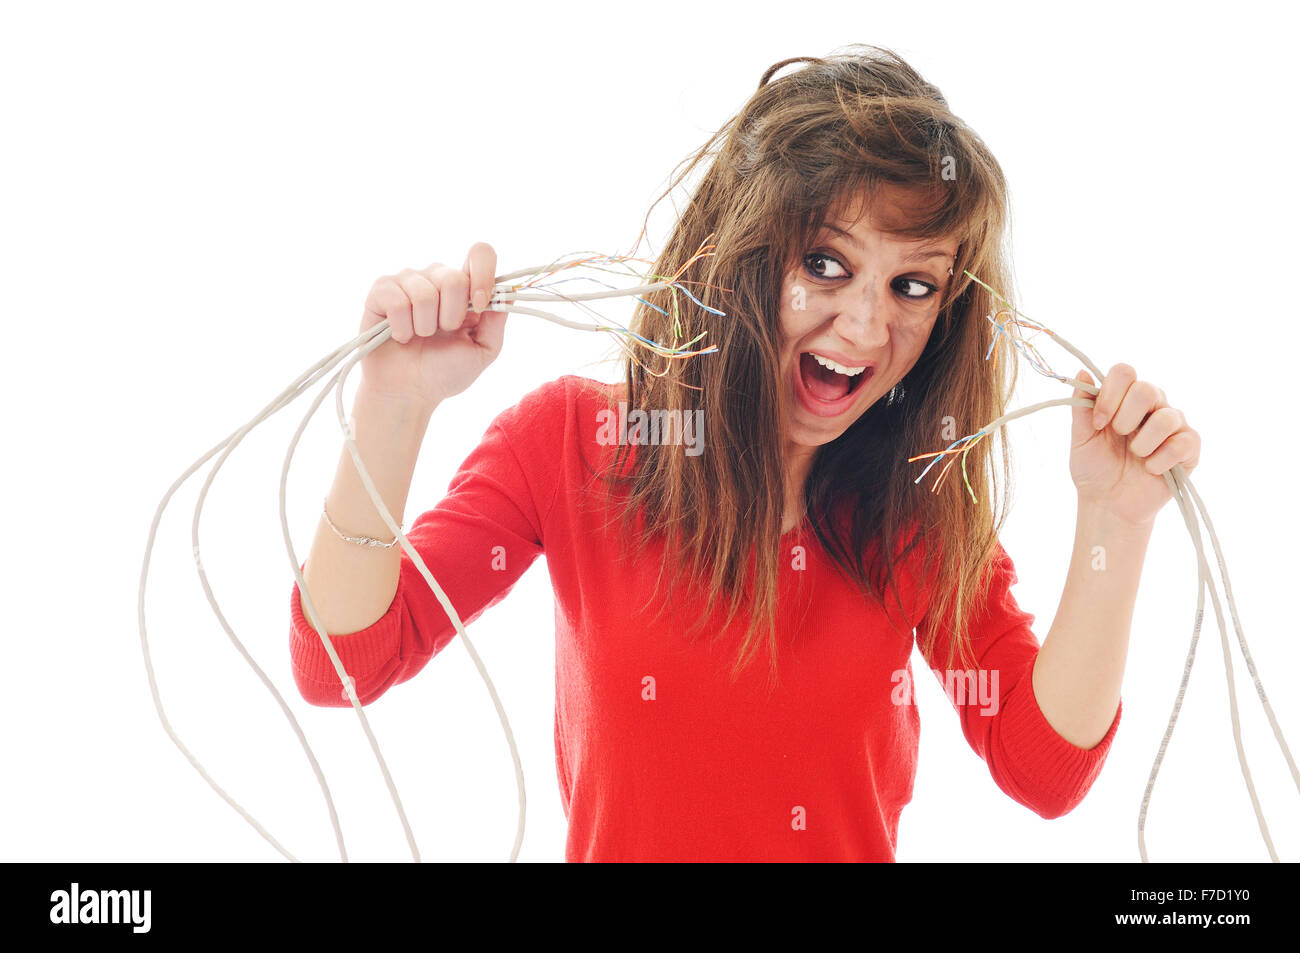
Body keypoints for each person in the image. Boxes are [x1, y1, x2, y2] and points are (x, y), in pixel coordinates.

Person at [288, 45, 1201, 862]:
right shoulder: (573, 444)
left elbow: (1045, 768)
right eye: (827, 264)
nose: (868, 325)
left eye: (912, 284)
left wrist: (1114, 524)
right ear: (738, 255)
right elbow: (340, 664)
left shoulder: (912, 515)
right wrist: (394, 405)